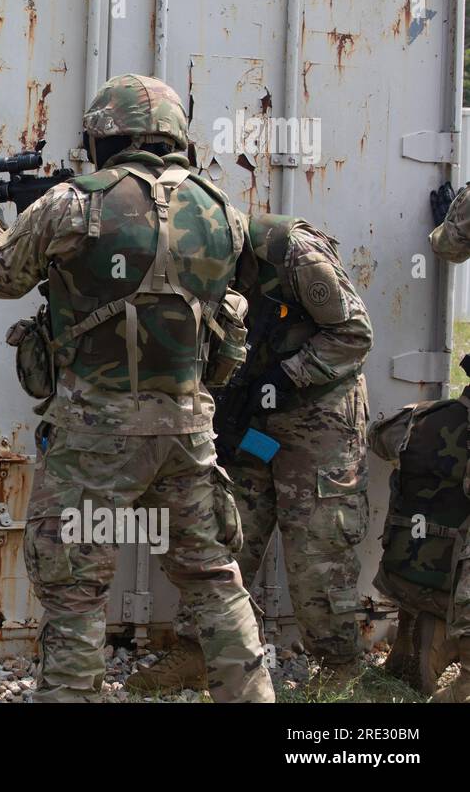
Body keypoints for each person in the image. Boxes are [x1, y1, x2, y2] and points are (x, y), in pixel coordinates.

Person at [0, 73, 273, 702]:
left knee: (74, 588)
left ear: (105, 137)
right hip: (187, 428)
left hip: (97, 434)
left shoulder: (74, 203)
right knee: (211, 575)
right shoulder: (223, 210)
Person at [130, 214, 372, 693]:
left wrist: (287, 378)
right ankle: (200, 651)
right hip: (250, 418)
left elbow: (353, 334)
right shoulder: (188, 260)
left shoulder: (290, 250)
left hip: (318, 413)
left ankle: (338, 666)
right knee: (226, 533)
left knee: (319, 542)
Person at [368, 368, 470, 702]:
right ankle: (441, 649)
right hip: (452, 589)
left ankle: (405, 640)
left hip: (399, 572)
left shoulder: (419, 417)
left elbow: (376, 438)